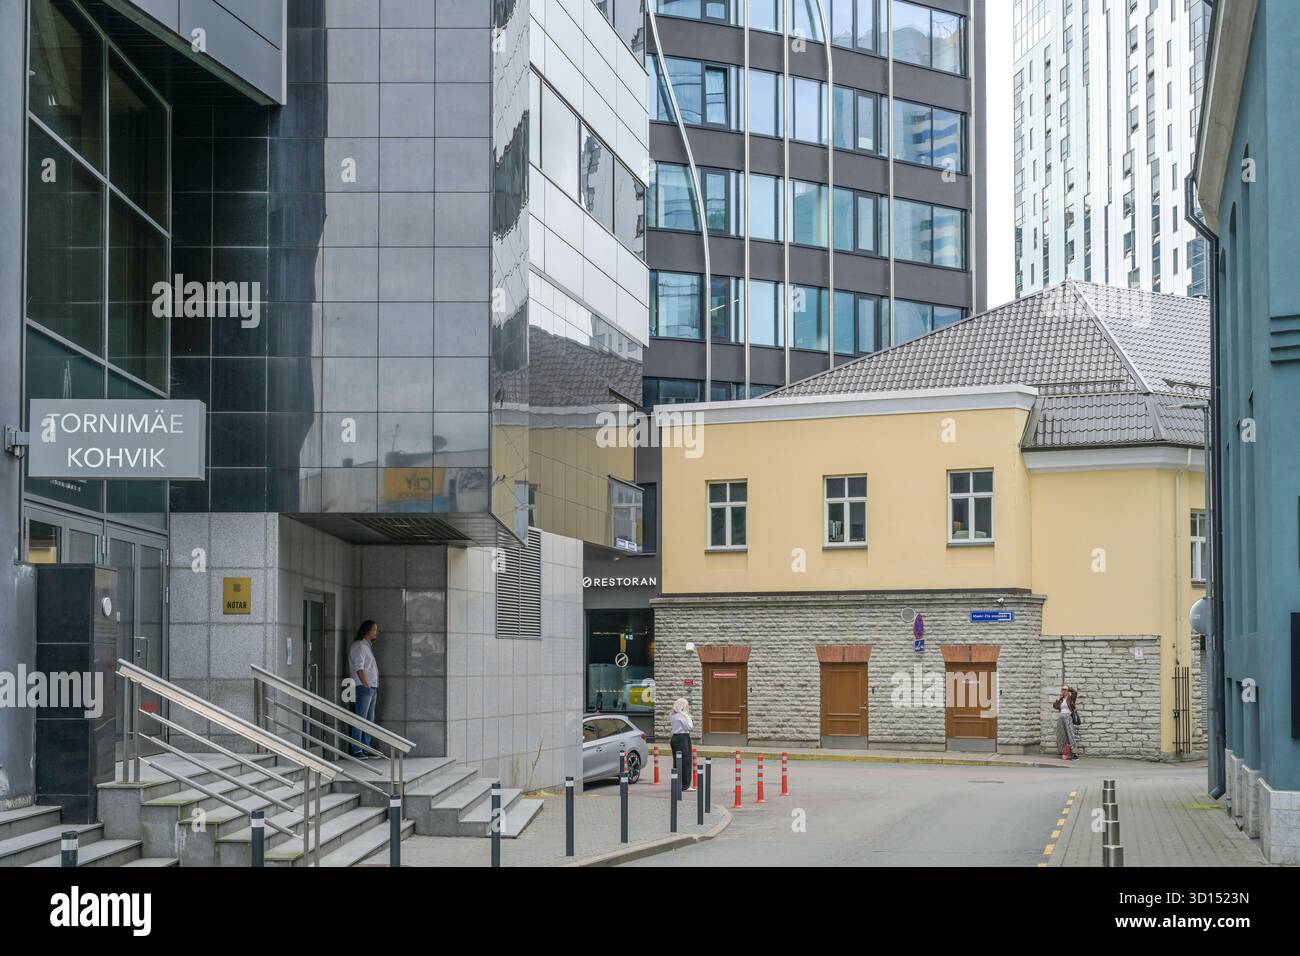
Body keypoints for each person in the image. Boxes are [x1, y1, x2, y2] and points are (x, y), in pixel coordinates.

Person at [348, 620, 380, 758]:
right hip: (363, 687)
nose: (376, 632)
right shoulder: (359, 646)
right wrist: (365, 683)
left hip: (371, 687)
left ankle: (365, 747)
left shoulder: (367, 646)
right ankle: (356, 749)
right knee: (360, 718)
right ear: (367, 631)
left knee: (369, 719)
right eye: (374, 629)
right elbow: (358, 667)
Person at [670, 698, 695, 797]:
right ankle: (685, 785)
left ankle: (677, 783)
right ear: (682, 706)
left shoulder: (673, 715)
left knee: (677, 761)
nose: (687, 707)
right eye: (686, 705)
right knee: (686, 761)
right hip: (683, 738)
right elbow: (689, 728)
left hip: (675, 738)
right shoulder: (682, 716)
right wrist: (689, 718)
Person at [1053, 684, 1080, 760]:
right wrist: (1057, 699)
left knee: (1070, 734)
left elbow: (1075, 692)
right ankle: (1066, 752)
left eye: (1065, 689)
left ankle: (1075, 753)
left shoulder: (1071, 698)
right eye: (1062, 689)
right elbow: (1055, 706)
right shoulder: (1061, 699)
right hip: (1061, 718)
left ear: (1068, 690)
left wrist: (1069, 688)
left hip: (1068, 717)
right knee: (1061, 735)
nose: (1063, 691)